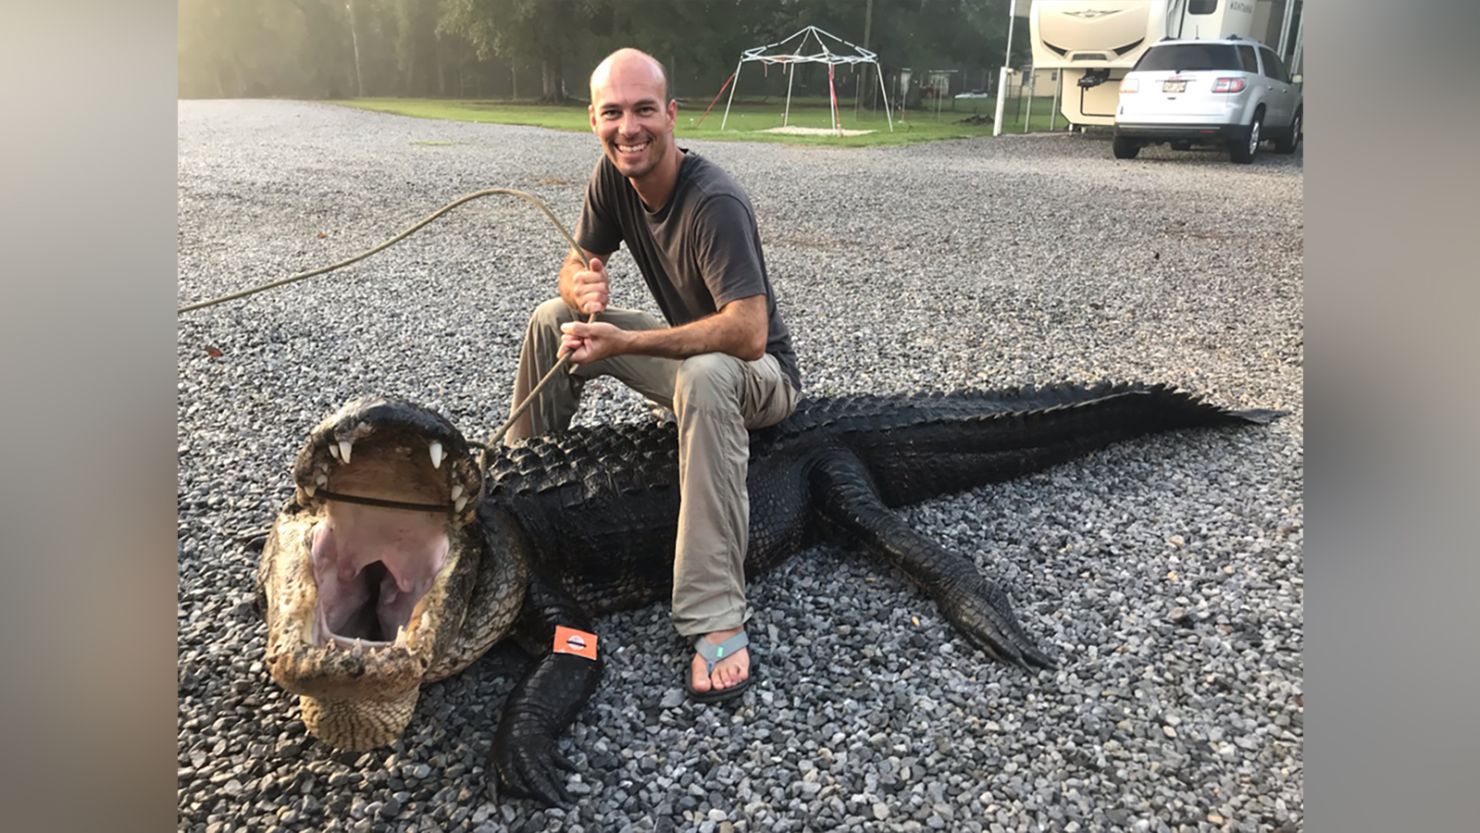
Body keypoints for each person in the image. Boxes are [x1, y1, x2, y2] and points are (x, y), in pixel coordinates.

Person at [505, 48, 801, 702]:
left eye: (644, 110)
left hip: (759, 378)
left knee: (703, 377)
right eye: (613, 112)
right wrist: (580, 282)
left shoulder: (713, 200)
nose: (629, 127)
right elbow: (575, 263)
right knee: (552, 318)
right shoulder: (611, 176)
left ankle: (715, 611)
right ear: (593, 119)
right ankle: (506, 512)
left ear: (672, 114)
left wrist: (624, 344)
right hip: (695, 362)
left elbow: (749, 333)